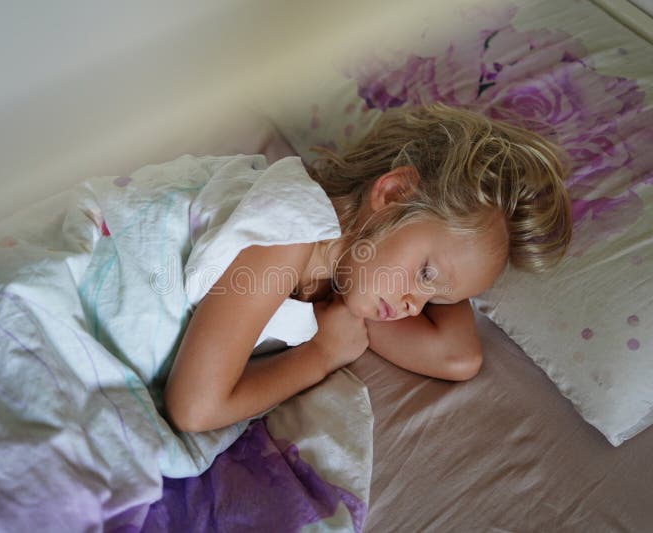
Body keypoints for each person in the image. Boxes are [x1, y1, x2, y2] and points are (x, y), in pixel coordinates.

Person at [164, 103, 571, 433]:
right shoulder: (290, 232)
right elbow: (195, 409)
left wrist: (447, 279)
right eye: (426, 275)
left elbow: (458, 357)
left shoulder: (348, 278)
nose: (415, 307)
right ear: (393, 192)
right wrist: (320, 356)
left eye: (437, 298)